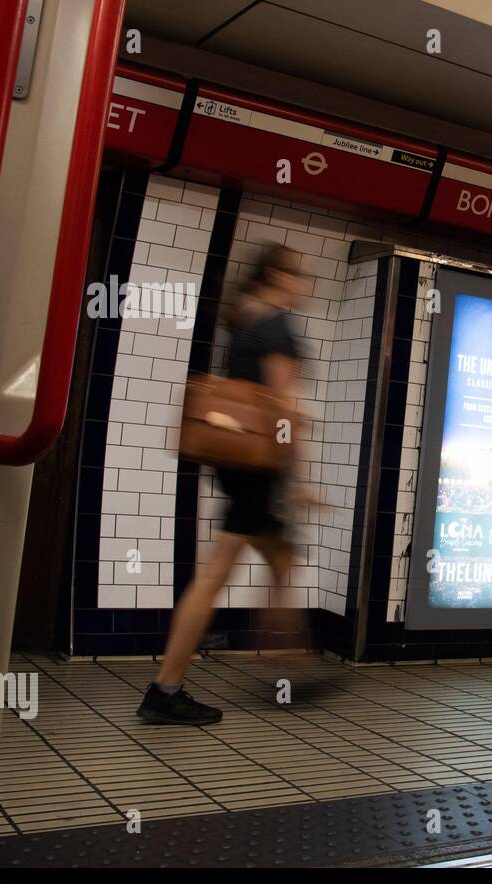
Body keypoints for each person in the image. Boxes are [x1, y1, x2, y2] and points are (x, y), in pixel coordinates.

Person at [137, 243, 312, 724]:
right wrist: (300, 476)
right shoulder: (276, 325)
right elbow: (283, 409)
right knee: (216, 576)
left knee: (281, 560)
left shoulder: (244, 320)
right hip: (259, 470)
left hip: (237, 464)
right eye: (299, 275)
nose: (304, 286)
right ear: (277, 276)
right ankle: (165, 688)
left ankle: (288, 660)